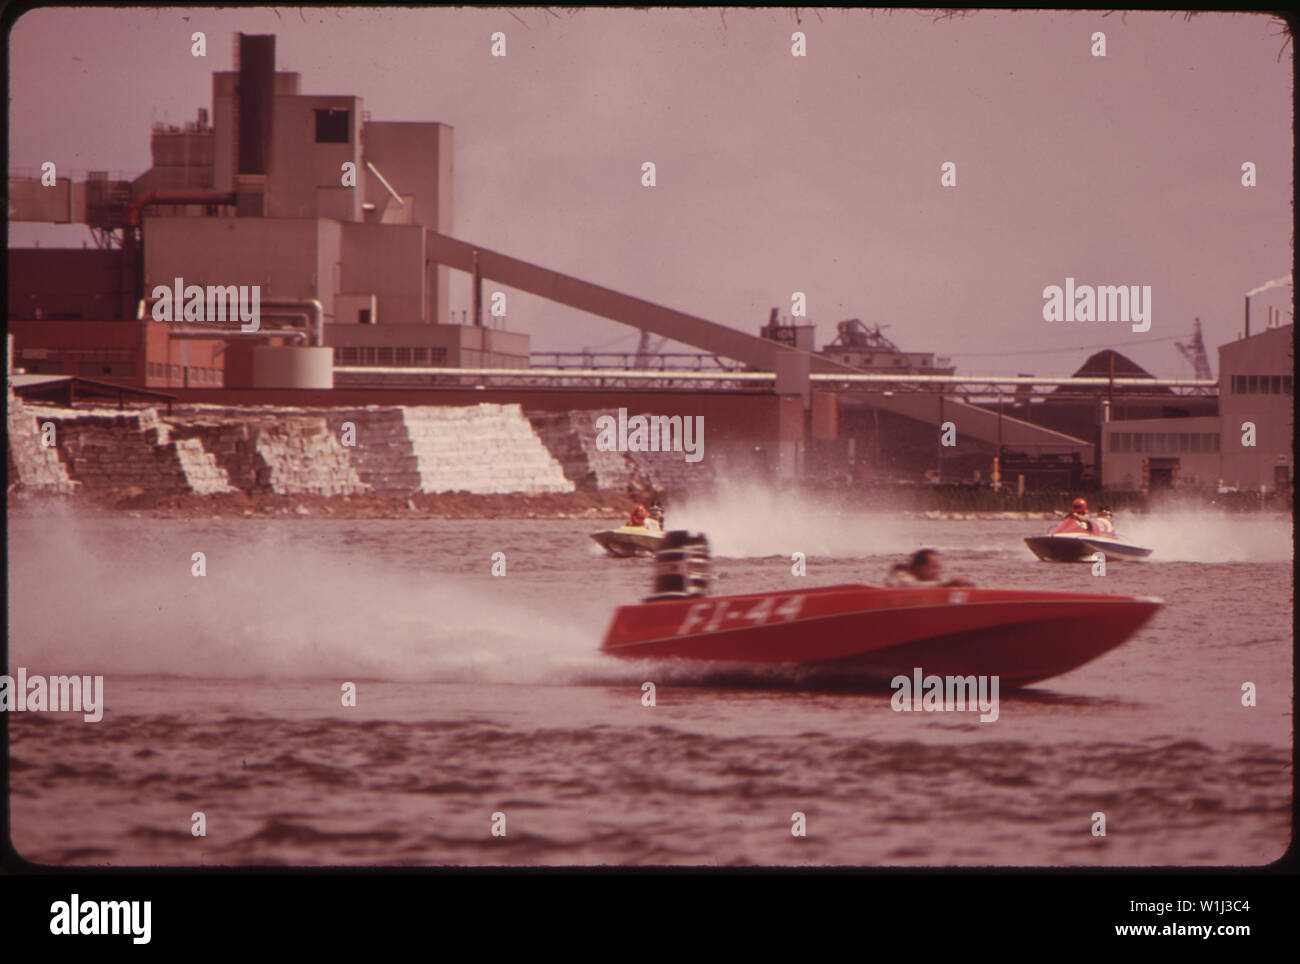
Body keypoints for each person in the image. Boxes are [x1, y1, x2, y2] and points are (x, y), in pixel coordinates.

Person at [885, 549, 973, 588]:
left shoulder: (929, 581)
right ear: (920, 567)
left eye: (939, 567)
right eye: (934, 567)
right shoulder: (901, 576)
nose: (938, 571)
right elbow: (911, 586)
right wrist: (947, 584)